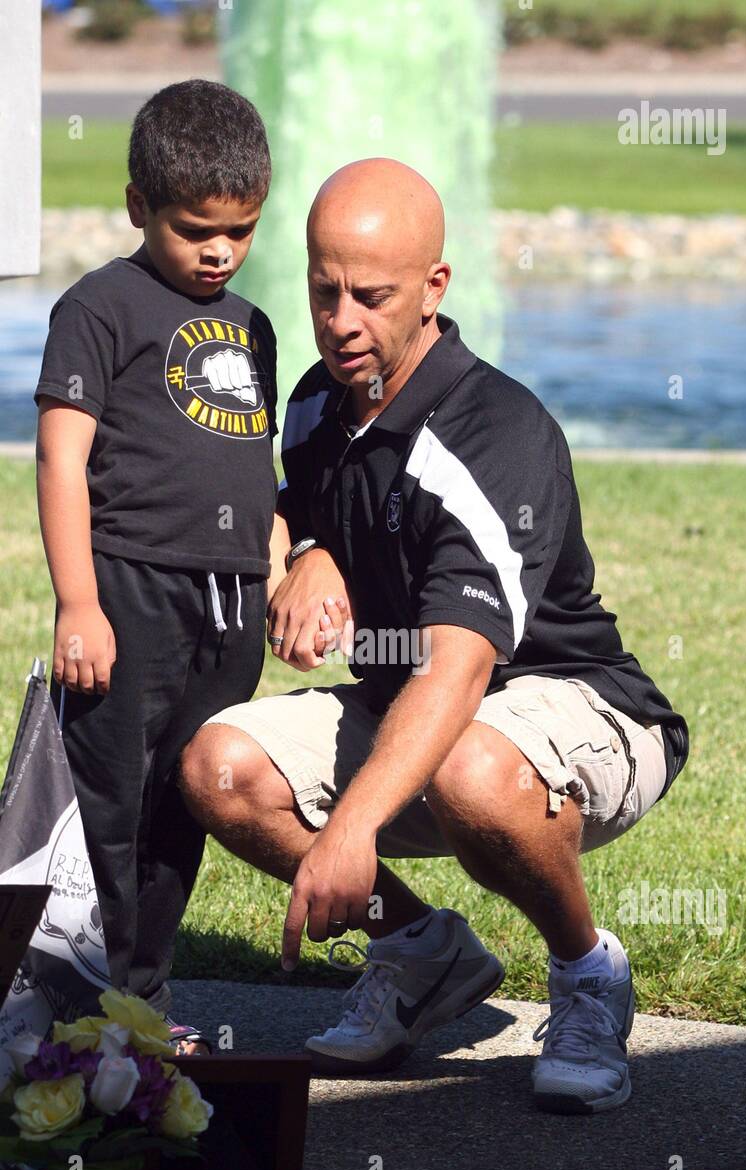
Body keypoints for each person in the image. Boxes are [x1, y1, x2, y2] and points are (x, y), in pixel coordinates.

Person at [179, 158, 689, 1112]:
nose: (341, 321)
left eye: (371, 298)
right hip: (418, 705)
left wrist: (355, 831)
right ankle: (420, 954)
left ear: (434, 288)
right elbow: (301, 504)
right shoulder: (317, 402)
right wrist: (308, 549)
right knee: (219, 765)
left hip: (580, 710)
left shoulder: (493, 430)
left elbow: (458, 670)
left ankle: (587, 972)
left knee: (470, 766)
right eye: (322, 291)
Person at [34, 80, 335, 1053]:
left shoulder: (252, 322)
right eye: (195, 229)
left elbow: (257, 473)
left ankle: (144, 1007)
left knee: (178, 808)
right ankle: (77, 1004)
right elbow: (61, 455)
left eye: (240, 231)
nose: (218, 251)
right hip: (129, 592)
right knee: (106, 809)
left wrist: (285, 569)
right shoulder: (99, 306)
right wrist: (79, 600)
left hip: (228, 606)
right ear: (137, 208)